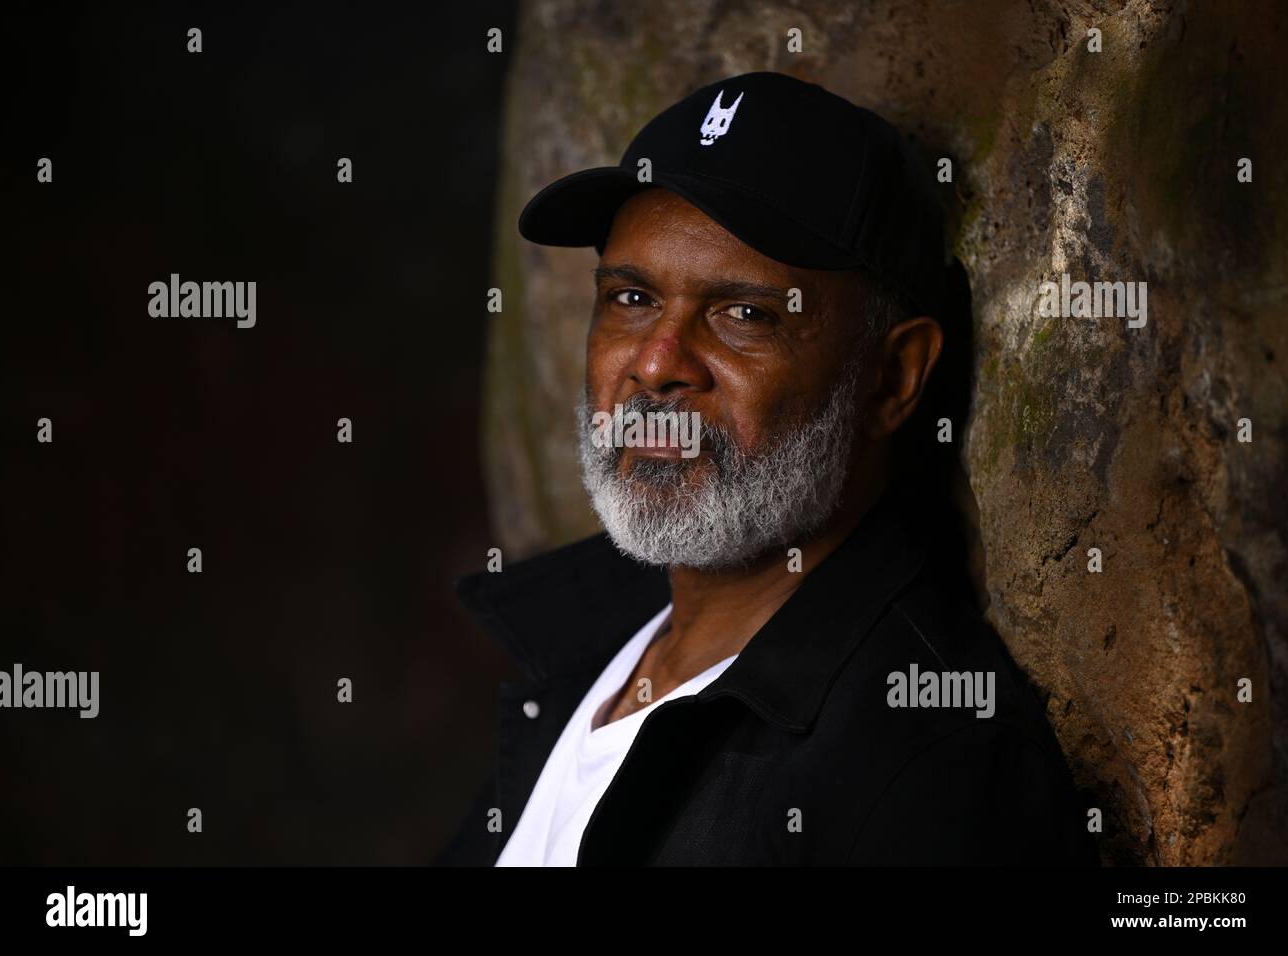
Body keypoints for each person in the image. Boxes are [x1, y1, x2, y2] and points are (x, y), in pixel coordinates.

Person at [435, 71, 1098, 866]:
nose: (657, 364)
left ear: (893, 377)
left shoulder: (927, 766)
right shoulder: (587, 649)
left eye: (744, 314)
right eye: (632, 298)